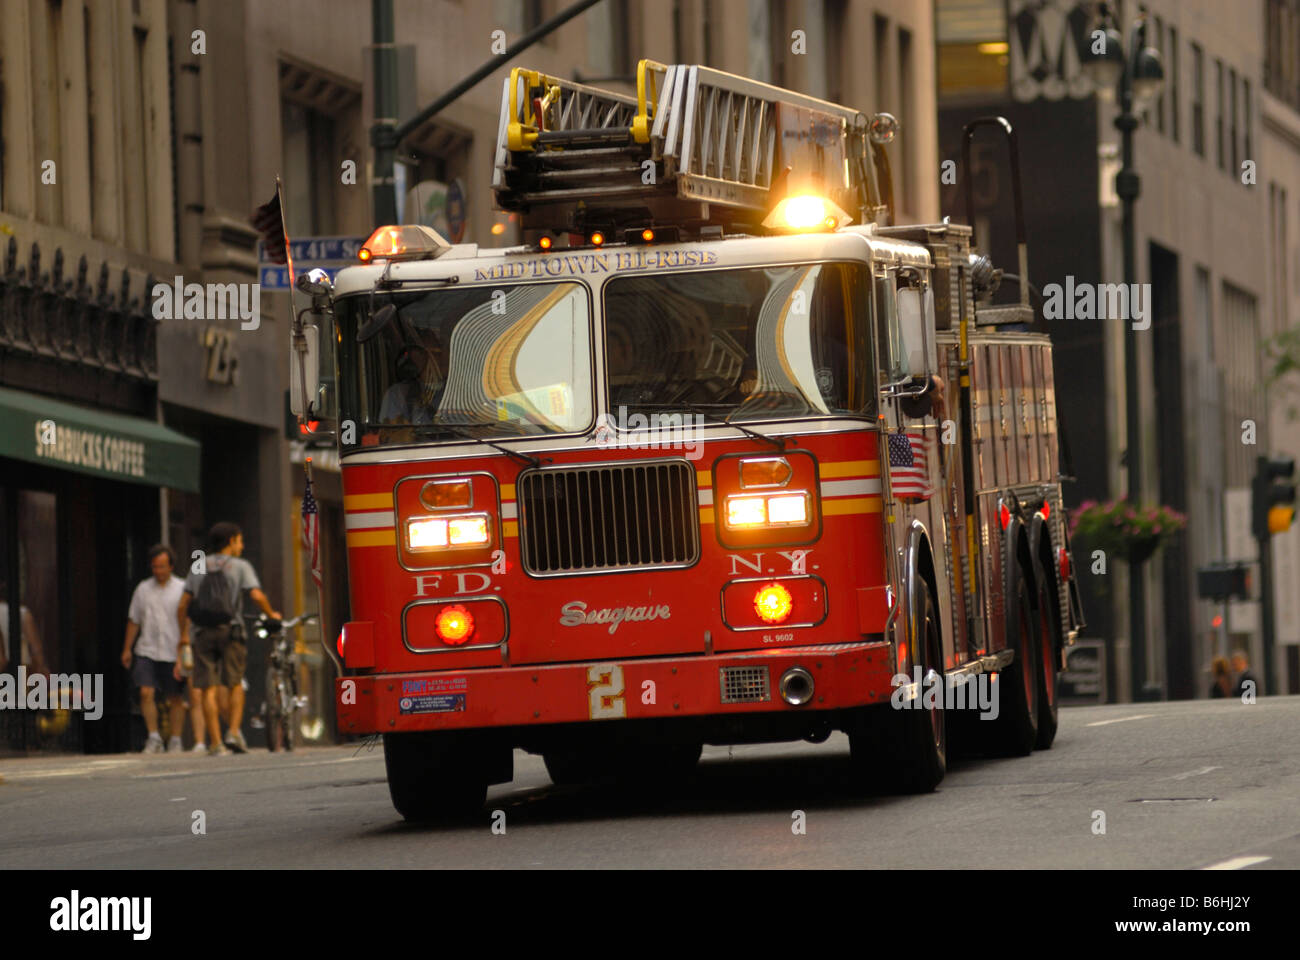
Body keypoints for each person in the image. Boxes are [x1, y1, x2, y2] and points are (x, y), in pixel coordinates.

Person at [178, 522, 280, 755]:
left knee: (207, 689)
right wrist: (271, 614)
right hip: (231, 631)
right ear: (231, 541)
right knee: (234, 683)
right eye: (240, 541)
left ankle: (215, 743)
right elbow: (255, 594)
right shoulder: (240, 566)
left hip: (202, 633)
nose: (242, 546)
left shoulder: (198, 565)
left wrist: (183, 634)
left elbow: (183, 603)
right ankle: (233, 732)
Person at [121, 545, 188, 754]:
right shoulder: (143, 589)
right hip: (147, 648)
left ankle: (176, 739)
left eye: (162, 567)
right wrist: (127, 648)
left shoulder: (182, 588)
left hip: (172, 649)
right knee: (145, 692)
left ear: (171, 566)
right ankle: (154, 736)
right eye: (155, 567)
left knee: (174, 697)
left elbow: (188, 621)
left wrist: (184, 649)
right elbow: (134, 620)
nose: (158, 571)